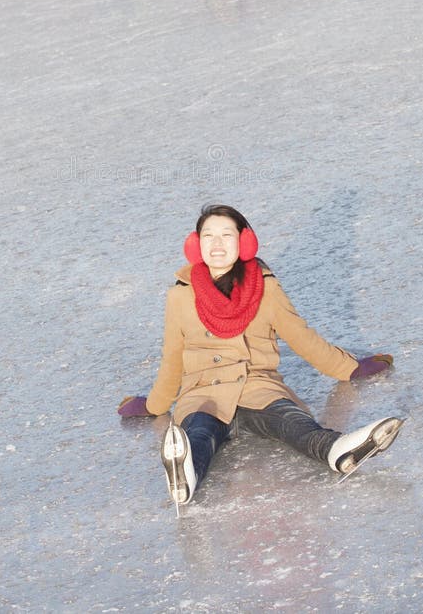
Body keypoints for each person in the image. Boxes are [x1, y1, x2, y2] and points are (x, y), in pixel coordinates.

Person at [118, 204, 403, 507]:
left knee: (292, 422)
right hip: (203, 392)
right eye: (208, 236)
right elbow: (172, 356)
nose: (217, 244)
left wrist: (349, 368)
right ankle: (185, 476)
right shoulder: (180, 296)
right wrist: (153, 405)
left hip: (256, 386)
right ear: (196, 244)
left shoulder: (264, 287)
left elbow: (300, 336)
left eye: (226, 235)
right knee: (198, 432)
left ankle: (336, 450)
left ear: (243, 242)